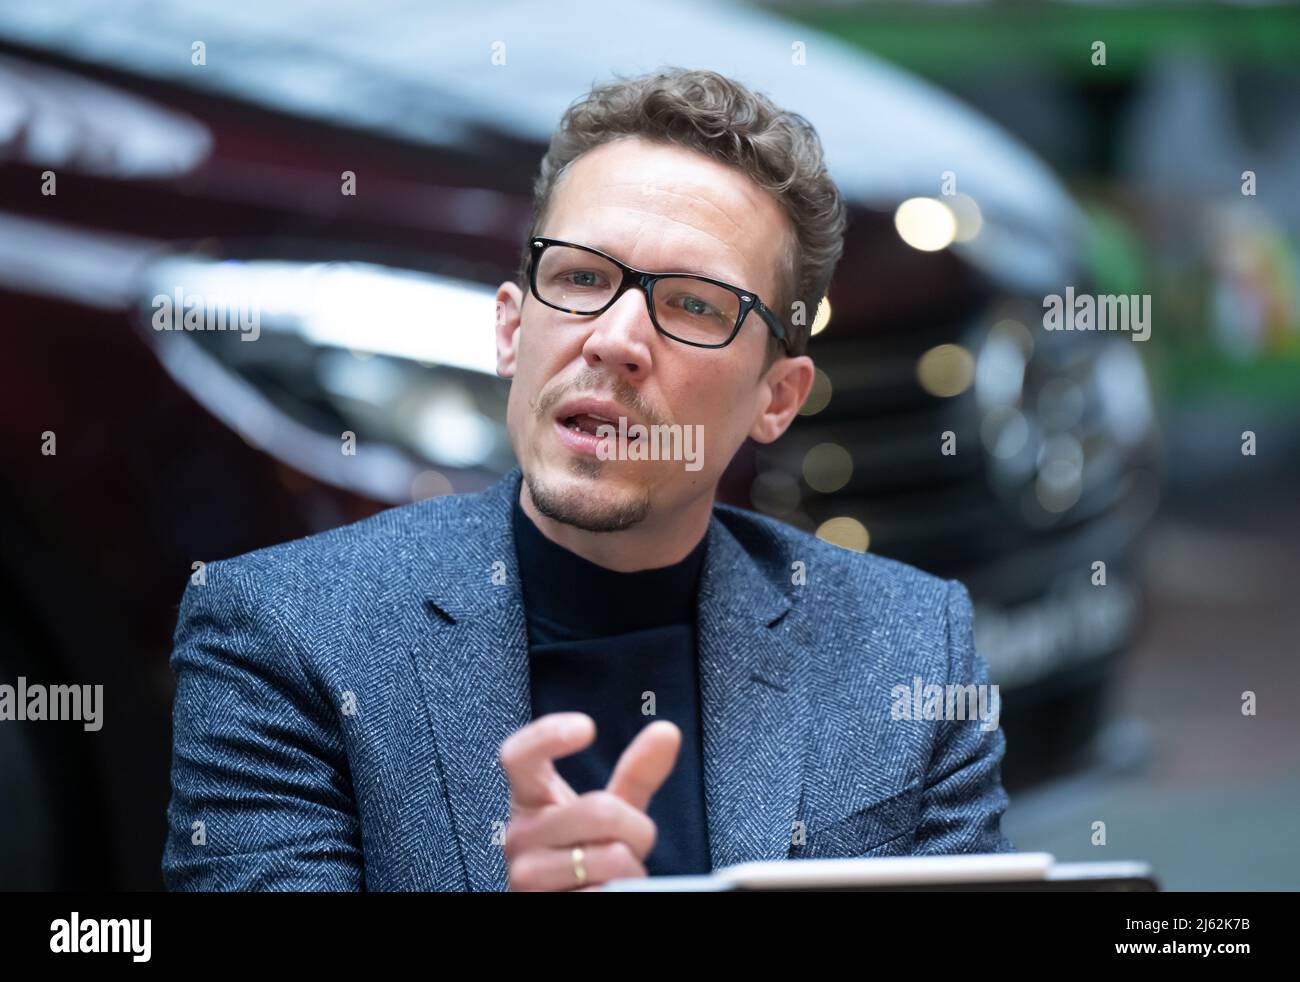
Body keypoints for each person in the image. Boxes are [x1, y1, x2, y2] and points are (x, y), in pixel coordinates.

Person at [162, 67, 1013, 892]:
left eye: (693, 304)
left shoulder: (910, 645)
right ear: (509, 329)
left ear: (777, 399)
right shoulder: (284, 637)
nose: (615, 338)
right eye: (580, 278)